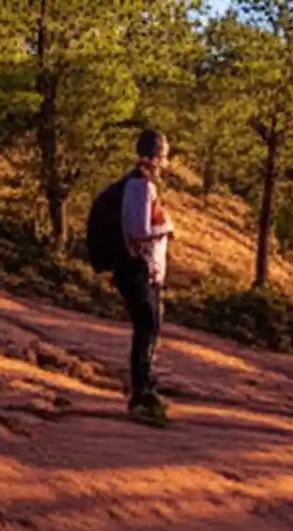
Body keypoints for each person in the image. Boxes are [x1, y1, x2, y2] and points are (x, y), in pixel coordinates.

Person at [116, 129, 174, 423]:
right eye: (164, 155)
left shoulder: (139, 183)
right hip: (140, 272)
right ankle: (141, 393)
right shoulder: (141, 186)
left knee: (149, 329)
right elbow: (139, 230)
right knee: (147, 329)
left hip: (143, 271)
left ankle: (144, 389)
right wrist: (167, 228)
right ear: (154, 156)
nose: (166, 161)